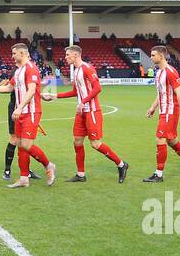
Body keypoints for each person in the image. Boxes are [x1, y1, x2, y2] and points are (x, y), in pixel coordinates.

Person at [44, 44, 127, 183]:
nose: (65, 57)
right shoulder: (76, 71)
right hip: (81, 112)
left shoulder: (87, 68)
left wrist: (84, 102)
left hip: (92, 111)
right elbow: (75, 92)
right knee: (77, 141)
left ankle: (122, 164)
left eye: (67, 55)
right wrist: (54, 96)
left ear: (75, 55)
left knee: (96, 144)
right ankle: (81, 174)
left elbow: (98, 88)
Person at [0, 43, 54, 188]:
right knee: (20, 145)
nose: (12, 56)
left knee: (26, 145)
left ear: (23, 54)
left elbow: (32, 90)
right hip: (20, 112)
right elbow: (9, 88)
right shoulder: (18, 71)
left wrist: (19, 107)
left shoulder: (31, 69)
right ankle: (23, 178)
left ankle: (48, 165)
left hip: (31, 112)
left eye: (14, 53)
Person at [143, 45, 180, 182]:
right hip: (164, 111)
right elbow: (161, 94)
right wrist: (152, 108)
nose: (151, 57)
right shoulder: (159, 72)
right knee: (172, 141)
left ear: (161, 56)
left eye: (153, 55)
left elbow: (179, 92)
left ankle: (159, 174)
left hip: (170, 111)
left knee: (160, 139)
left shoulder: (170, 71)